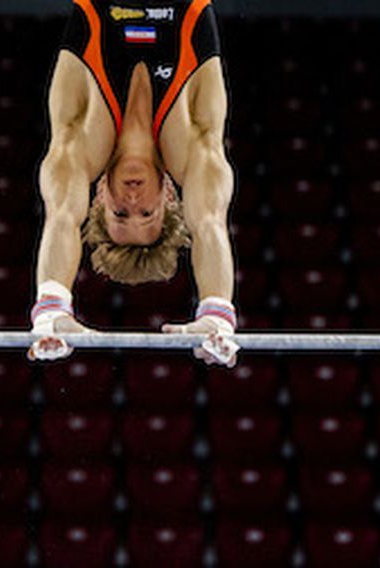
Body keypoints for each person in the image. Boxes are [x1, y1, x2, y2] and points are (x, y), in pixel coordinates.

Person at [28, 0, 238, 366]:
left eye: (121, 213)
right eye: (146, 212)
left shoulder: (79, 143)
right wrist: (217, 314)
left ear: (98, 199)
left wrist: (51, 310)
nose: (133, 197)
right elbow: (209, 220)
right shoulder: (193, 146)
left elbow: (61, 214)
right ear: (170, 196)